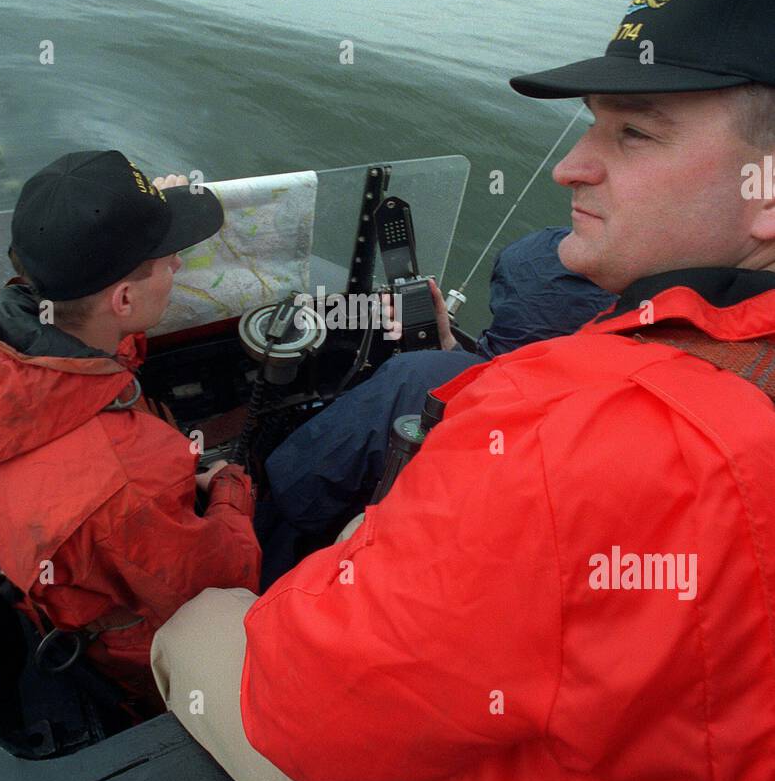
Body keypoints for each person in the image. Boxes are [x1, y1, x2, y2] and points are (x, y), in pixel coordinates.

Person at [152, 0, 775, 781]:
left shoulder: (571, 432)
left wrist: (368, 543)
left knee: (204, 624)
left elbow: (294, 706)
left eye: (636, 133)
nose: (575, 165)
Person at [0, 151, 260, 715]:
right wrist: (229, 485)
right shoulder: (135, 479)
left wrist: (142, 213)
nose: (177, 266)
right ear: (124, 300)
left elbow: (97, 350)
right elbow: (228, 576)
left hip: (69, 582)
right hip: (136, 658)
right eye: (167, 258)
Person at [257, 228, 615, 587]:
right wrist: (453, 353)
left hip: (346, 582)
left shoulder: (417, 378)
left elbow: (303, 485)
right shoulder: (601, 434)